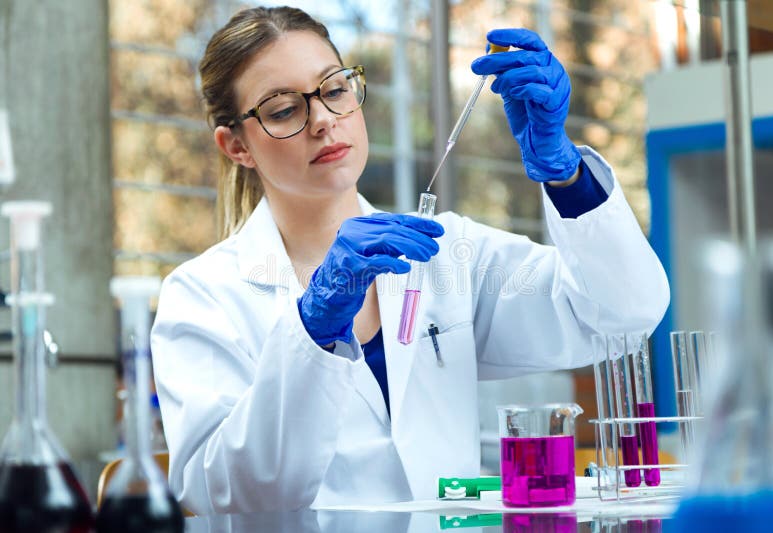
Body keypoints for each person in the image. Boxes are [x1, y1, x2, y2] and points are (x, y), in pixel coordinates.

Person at [150, 5, 670, 514]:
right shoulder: (202, 295)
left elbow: (619, 315)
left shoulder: (448, 253)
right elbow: (215, 489)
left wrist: (566, 174)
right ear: (236, 145)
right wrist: (312, 330)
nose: (324, 120)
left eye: (334, 90)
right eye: (284, 110)